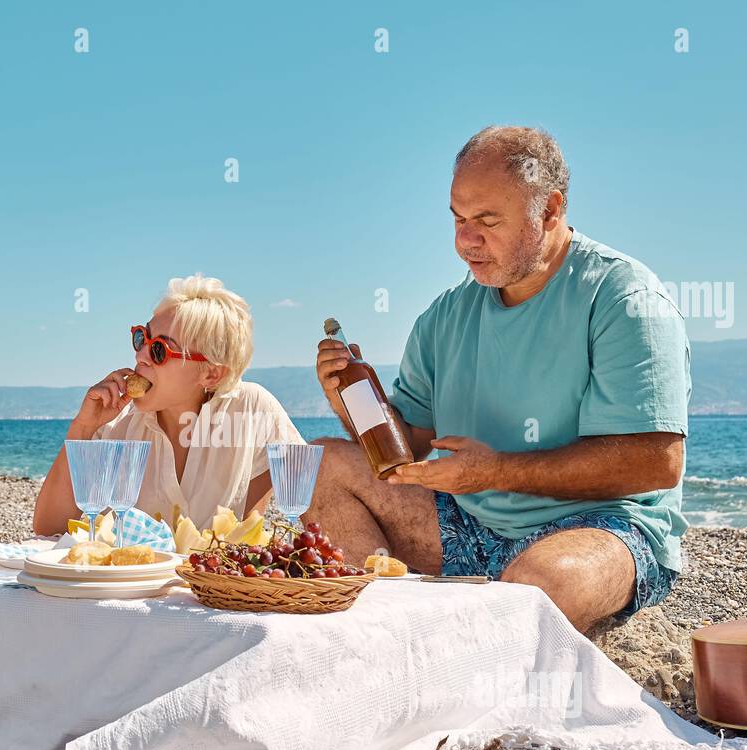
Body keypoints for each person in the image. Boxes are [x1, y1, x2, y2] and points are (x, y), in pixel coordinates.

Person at [308, 126, 689, 633]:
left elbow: (657, 462)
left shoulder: (623, 298)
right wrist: (352, 405)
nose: (466, 241)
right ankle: (383, 640)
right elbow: (410, 450)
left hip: (604, 527)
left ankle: (460, 638)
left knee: (536, 586)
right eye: (459, 220)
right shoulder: (444, 316)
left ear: (550, 210)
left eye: (487, 221)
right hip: (468, 524)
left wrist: (497, 472)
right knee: (327, 464)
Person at [34, 275, 302, 535]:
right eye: (141, 338)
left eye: (159, 349)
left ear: (211, 374)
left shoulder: (252, 411)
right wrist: (83, 428)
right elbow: (49, 528)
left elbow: (253, 529)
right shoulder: (116, 422)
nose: (141, 355)